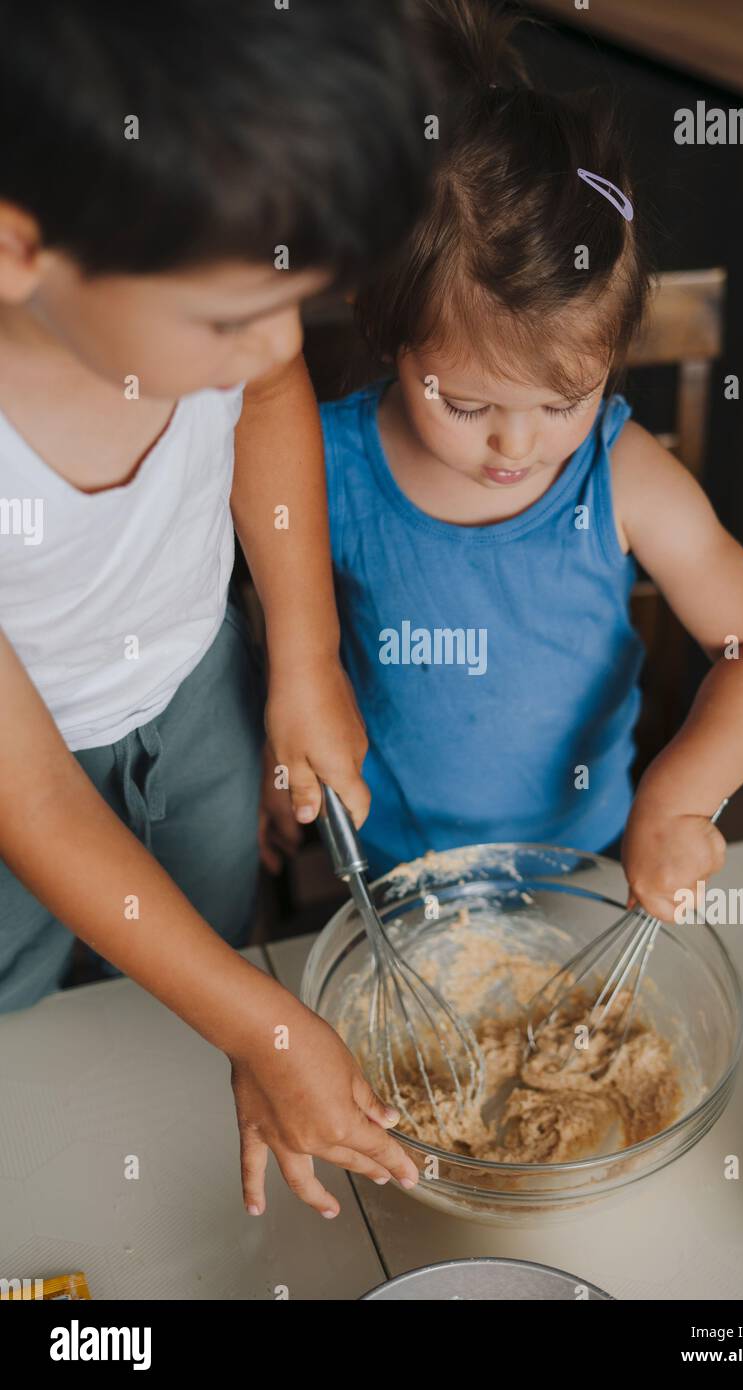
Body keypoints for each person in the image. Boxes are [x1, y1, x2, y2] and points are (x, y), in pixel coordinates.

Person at [0, 0, 435, 1217]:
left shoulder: (225, 320)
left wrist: (302, 651)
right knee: (28, 1056)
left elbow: (274, 397)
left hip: (195, 701)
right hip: (17, 787)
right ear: (17, 246)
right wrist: (275, 1033)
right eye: (232, 314)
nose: (274, 343)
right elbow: (30, 797)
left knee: (192, 975)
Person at [319, 0, 743, 920]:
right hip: (386, 881)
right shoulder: (326, 466)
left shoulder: (620, 479)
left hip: (585, 867)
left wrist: (682, 796)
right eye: (467, 404)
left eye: (564, 403)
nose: (516, 444)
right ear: (387, 331)